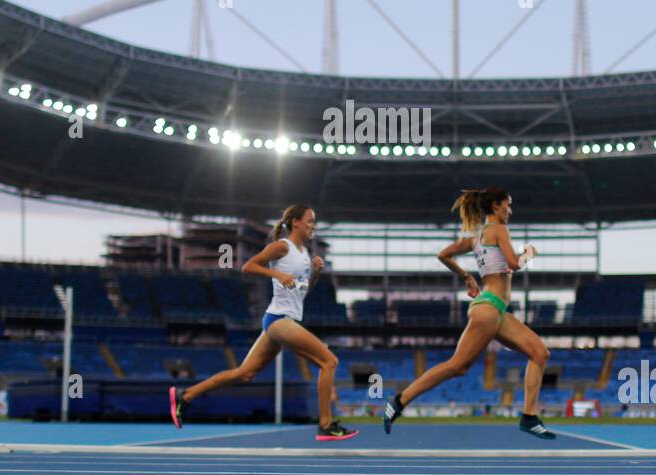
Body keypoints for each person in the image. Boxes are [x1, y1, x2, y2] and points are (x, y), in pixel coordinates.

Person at [169, 204, 357, 441]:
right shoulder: (281, 247)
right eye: (309, 221)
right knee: (329, 361)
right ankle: (326, 424)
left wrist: (316, 274)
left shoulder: (304, 254)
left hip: (281, 320)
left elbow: (302, 291)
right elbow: (249, 266)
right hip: (279, 320)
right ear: (296, 222)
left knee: (245, 374)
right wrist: (277, 274)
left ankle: (186, 396)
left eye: (314, 222)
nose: (313, 226)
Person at [383, 187, 554, 439]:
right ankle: (399, 400)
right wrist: (530, 252)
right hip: (489, 309)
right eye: (508, 205)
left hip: (495, 310)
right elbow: (515, 264)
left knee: (540, 353)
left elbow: (443, 255)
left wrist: (466, 277)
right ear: (495, 206)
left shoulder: (476, 236)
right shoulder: (499, 230)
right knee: (457, 366)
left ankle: (529, 416)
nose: (510, 210)